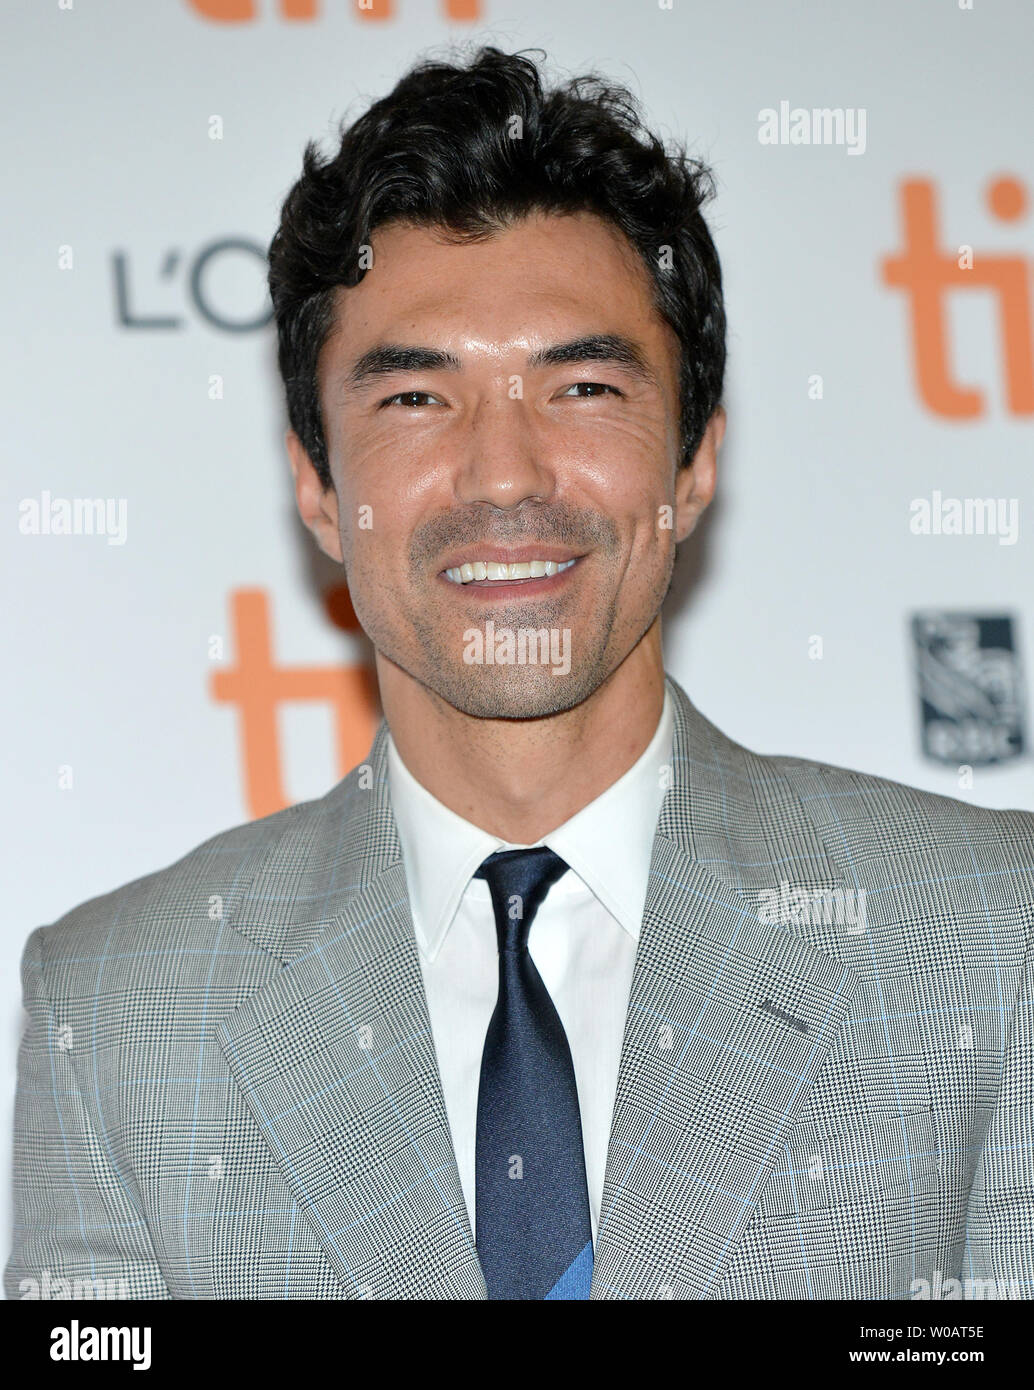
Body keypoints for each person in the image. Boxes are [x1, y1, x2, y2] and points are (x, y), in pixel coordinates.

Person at [6, 46, 1033, 1302]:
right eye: (414, 399)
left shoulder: (987, 937)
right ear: (317, 487)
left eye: (581, 386)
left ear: (693, 462)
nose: (503, 474)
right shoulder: (119, 1012)